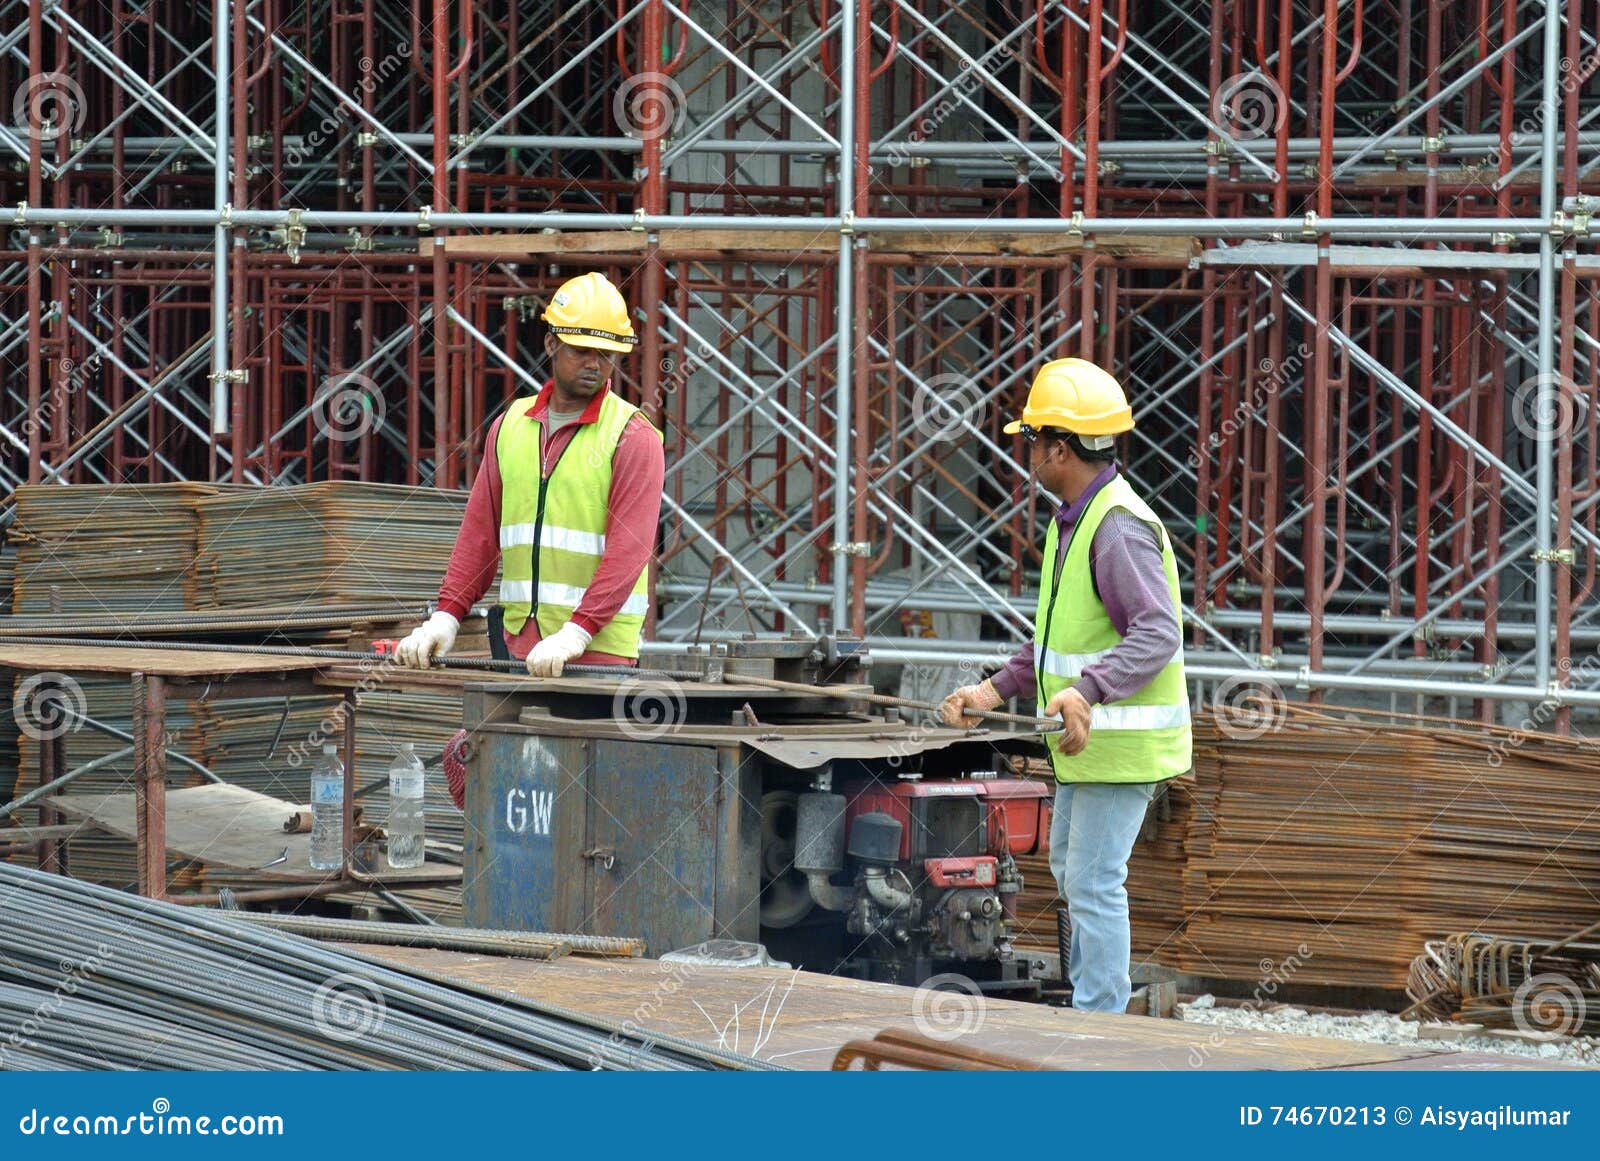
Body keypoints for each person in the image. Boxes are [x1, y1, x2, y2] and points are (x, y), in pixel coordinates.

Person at [939, 357, 1191, 1013]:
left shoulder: (1116, 526)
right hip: (1088, 746)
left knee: (1094, 879)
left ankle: (1100, 1019)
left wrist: (1088, 690)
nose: (1026, 452)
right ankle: (1093, 1004)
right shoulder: (1075, 520)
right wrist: (993, 691)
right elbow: (1056, 641)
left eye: (1032, 438)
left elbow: (1158, 631)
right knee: (1073, 873)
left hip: (1117, 747)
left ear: (1061, 447)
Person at [397, 270, 665, 678]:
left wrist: (577, 631)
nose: (595, 363)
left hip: (598, 657)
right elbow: (479, 535)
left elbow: (629, 552)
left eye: (606, 354)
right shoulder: (511, 425)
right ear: (551, 343)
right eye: (582, 350)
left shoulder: (632, 436)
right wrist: (447, 615)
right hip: (518, 646)